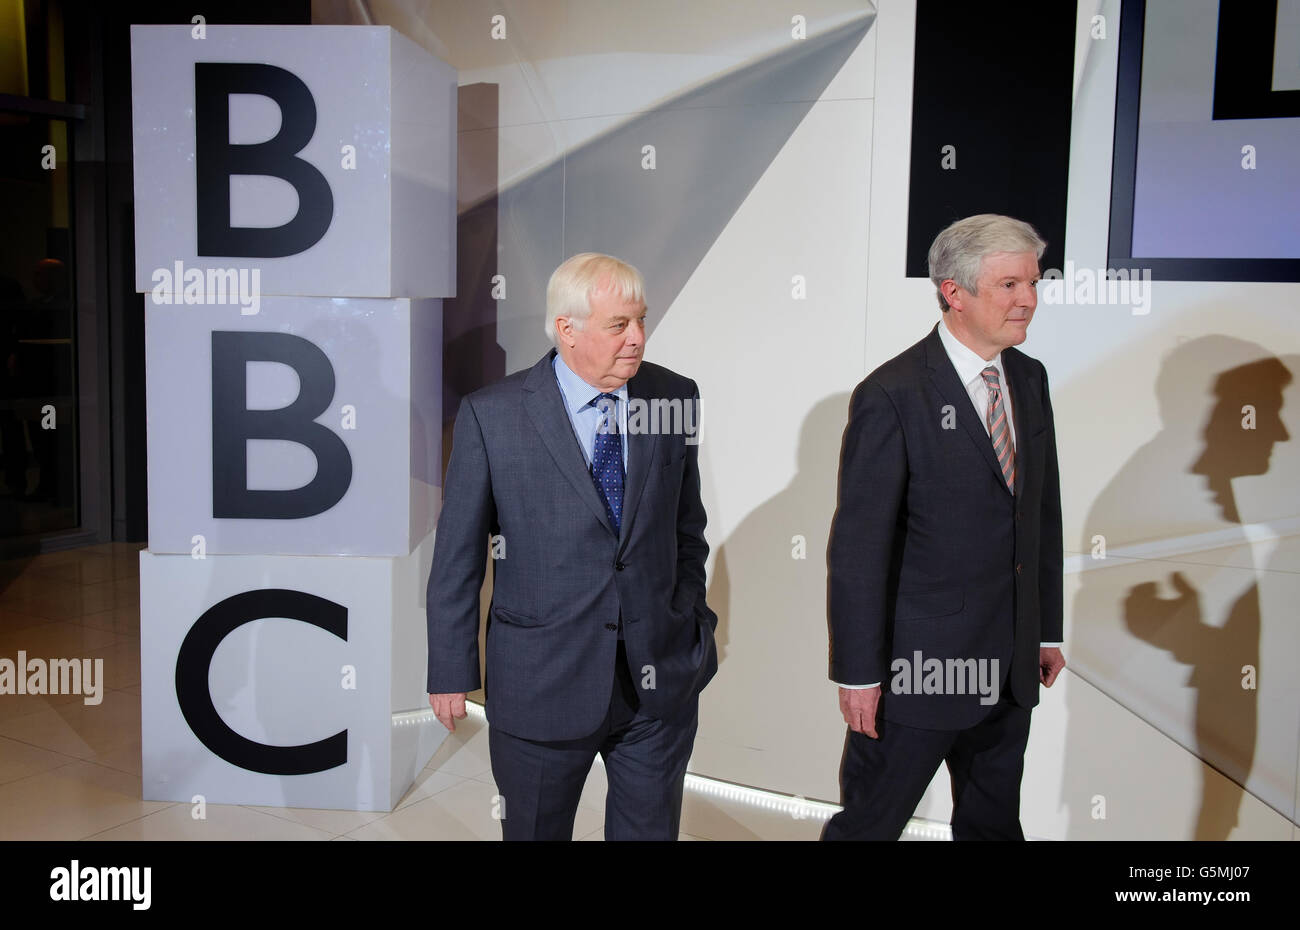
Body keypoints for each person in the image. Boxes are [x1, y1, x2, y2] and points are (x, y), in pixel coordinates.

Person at [425, 252, 717, 840]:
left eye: (640, 320)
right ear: (567, 330)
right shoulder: (493, 415)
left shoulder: (674, 395)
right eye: (618, 325)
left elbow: (687, 529)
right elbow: (458, 557)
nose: (637, 338)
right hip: (540, 683)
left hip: (656, 685)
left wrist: (687, 618)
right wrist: (450, 669)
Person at [822, 214, 1065, 841]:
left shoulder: (1029, 378)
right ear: (953, 292)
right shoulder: (892, 393)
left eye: (1033, 283)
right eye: (1010, 285)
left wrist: (1045, 628)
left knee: (993, 828)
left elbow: (1041, 514)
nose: (1028, 300)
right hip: (916, 676)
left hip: (1010, 668)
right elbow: (859, 550)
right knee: (869, 828)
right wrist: (858, 672)